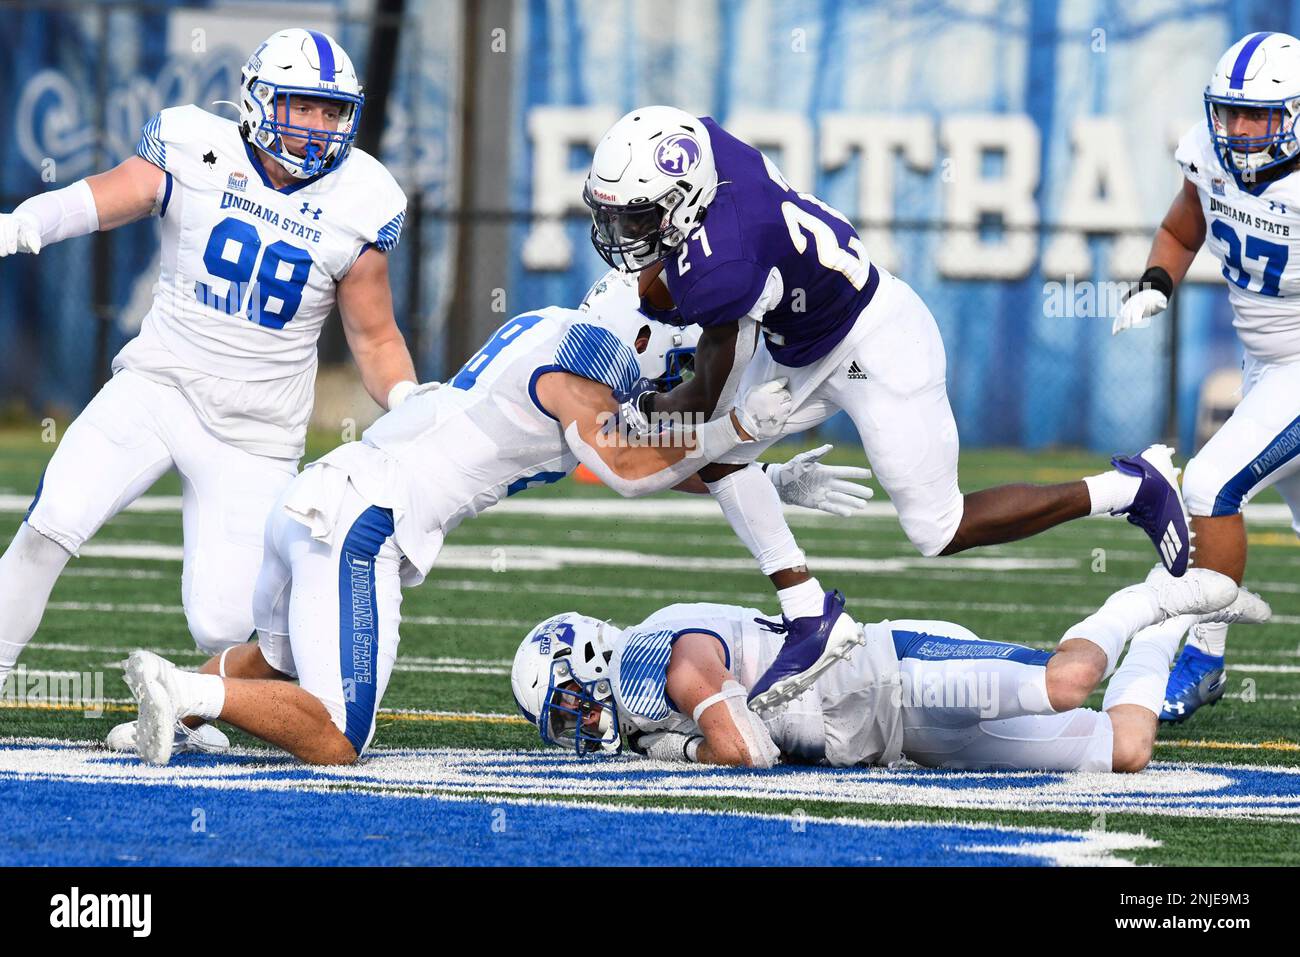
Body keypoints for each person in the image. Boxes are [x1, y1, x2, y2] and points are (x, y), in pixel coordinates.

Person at [583, 105, 1192, 709]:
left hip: (876, 342)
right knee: (720, 456)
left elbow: (710, 392)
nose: (623, 233)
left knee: (937, 528)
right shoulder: (708, 152)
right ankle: (810, 614)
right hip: (800, 341)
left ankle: (1131, 488)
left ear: (686, 199)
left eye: (636, 217)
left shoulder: (725, 264)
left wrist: (648, 406)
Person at [119, 294, 871, 765]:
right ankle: (181, 684)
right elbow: (623, 466)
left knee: (276, 668)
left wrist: (763, 480)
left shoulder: (552, 331)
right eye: (669, 354)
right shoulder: (591, 355)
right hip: (363, 516)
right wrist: (734, 425)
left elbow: (633, 441)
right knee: (338, 737)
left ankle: (165, 711)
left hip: (320, 496)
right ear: (640, 338)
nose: (676, 374)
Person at [0, 30, 424, 753]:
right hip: (157, 389)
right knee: (51, 524)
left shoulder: (363, 198)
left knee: (226, 623)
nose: (318, 126)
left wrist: (414, 404)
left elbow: (376, 338)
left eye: (331, 112)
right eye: (302, 106)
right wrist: (25, 223)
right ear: (259, 101)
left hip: (256, 435)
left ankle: (187, 711)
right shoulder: (197, 147)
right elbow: (110, 196)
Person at [510, 569, 1269, 771]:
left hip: (897, 675)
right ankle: (1171, 626)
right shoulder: (643, 701)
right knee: (1126, 749)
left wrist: (675, 749)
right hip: (898, 740)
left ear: (590, 658)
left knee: (1066, 683)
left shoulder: (655, 653)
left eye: (572, 707)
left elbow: (748, 748)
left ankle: (1142, 598)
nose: (579, 729)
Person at [1113, 32, 1300, 722]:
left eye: (1261, 116)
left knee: (1211, 482)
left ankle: (1204, 656)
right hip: (1265, 366)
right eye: (1232, 113)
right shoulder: (1206, 152)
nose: (1242, 131)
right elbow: (1181, 229)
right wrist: (1156, 284)